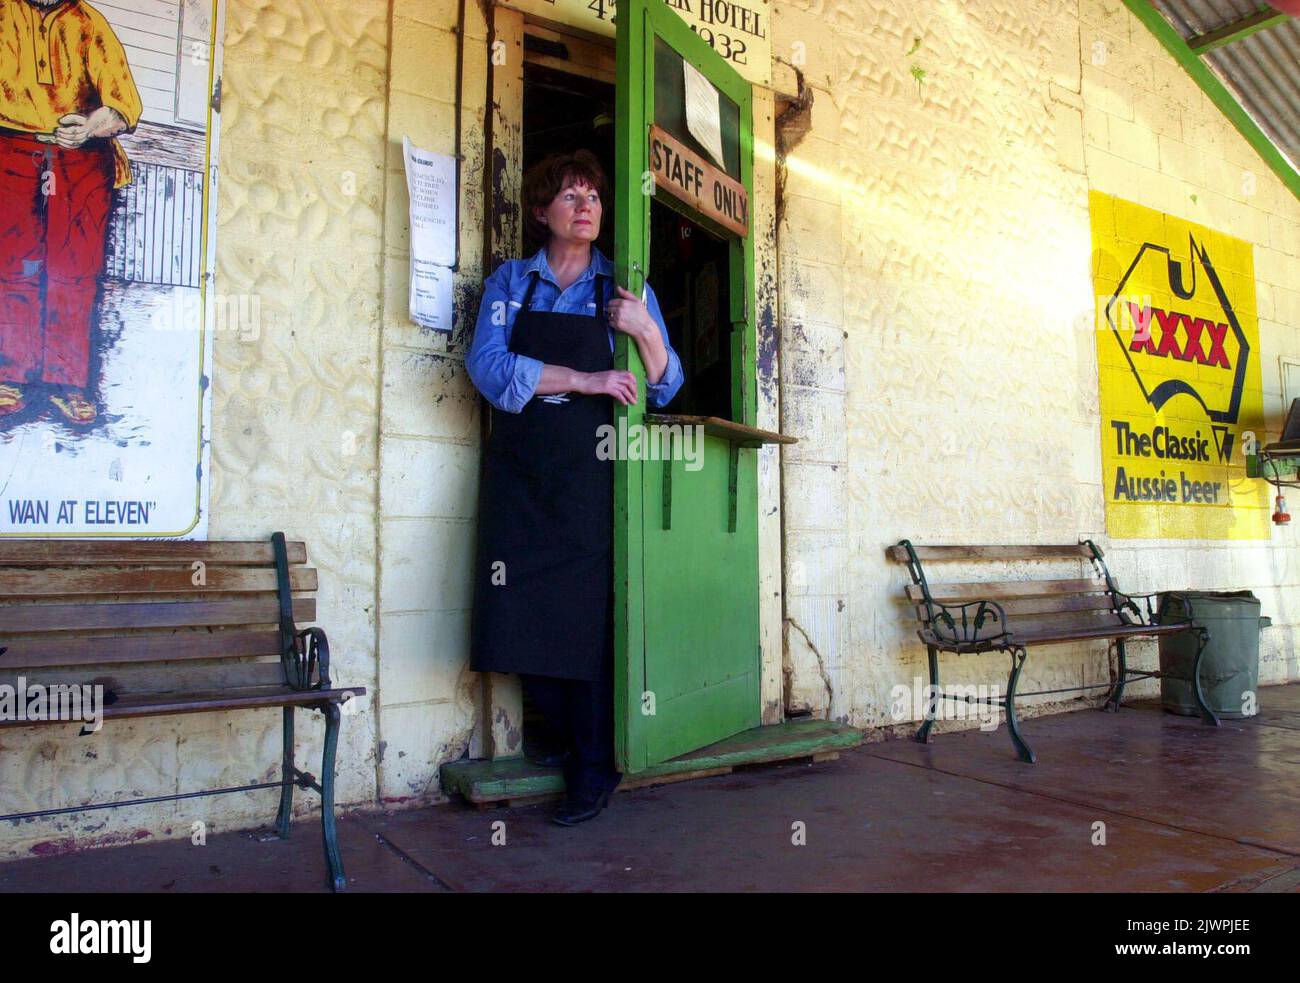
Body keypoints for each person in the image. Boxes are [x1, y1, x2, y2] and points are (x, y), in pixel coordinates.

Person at [466, 149, 683, 825]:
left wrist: (644, 329)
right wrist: (584, 378)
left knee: (586, 625)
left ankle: (594, 770)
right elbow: (488, 366)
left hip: (594, 477)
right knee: (523, 612)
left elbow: (666, 384)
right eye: (569, 195)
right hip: (524, 477)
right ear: (540, 212)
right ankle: (561, 740)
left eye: (592, 194)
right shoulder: (510, 283)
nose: (586, 205)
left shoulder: (624, 287)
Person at [0, 0, 143, 425]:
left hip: (80, 157)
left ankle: (66, 382)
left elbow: (122, 107)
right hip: (9, 149)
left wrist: (90, 126)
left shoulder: (87, 22)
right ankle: (10, 375)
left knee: (74, 269)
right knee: (11, 265)